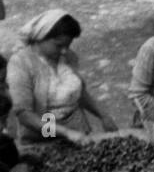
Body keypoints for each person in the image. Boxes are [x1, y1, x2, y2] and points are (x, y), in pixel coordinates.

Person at [7, 10, 118, 148]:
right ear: (41, 36)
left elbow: (78, 92)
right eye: (59, 45)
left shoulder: (68, 57)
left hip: (78, 132)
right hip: (44, 140)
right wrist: (65, 132)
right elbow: (24, 114)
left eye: (68, 45)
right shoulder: (21, 63)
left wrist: (103, 115)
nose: (64, 51)